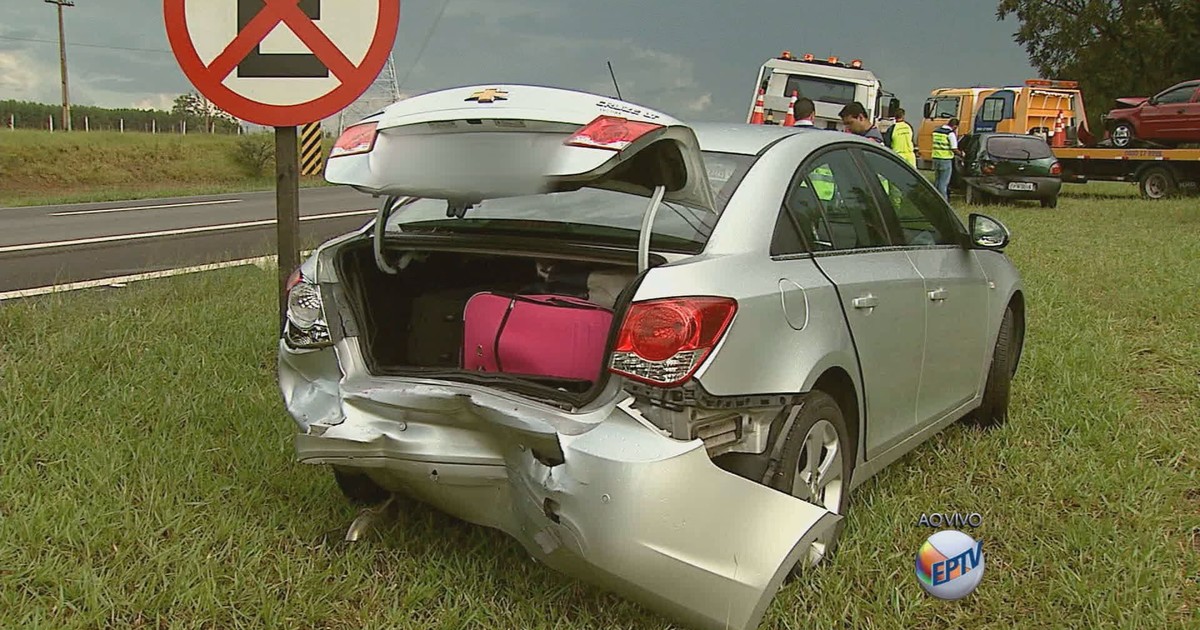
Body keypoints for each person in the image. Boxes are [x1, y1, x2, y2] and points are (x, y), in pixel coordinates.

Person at [931, 118, 962, 200]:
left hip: (936, 158)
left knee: (937, 181)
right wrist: (962, 154)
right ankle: (944, 201)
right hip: (945, 159)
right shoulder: (950, 134)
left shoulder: (936, 131)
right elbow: (954, 149)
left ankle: (935, 199)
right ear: (955, 126)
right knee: (943, 183)